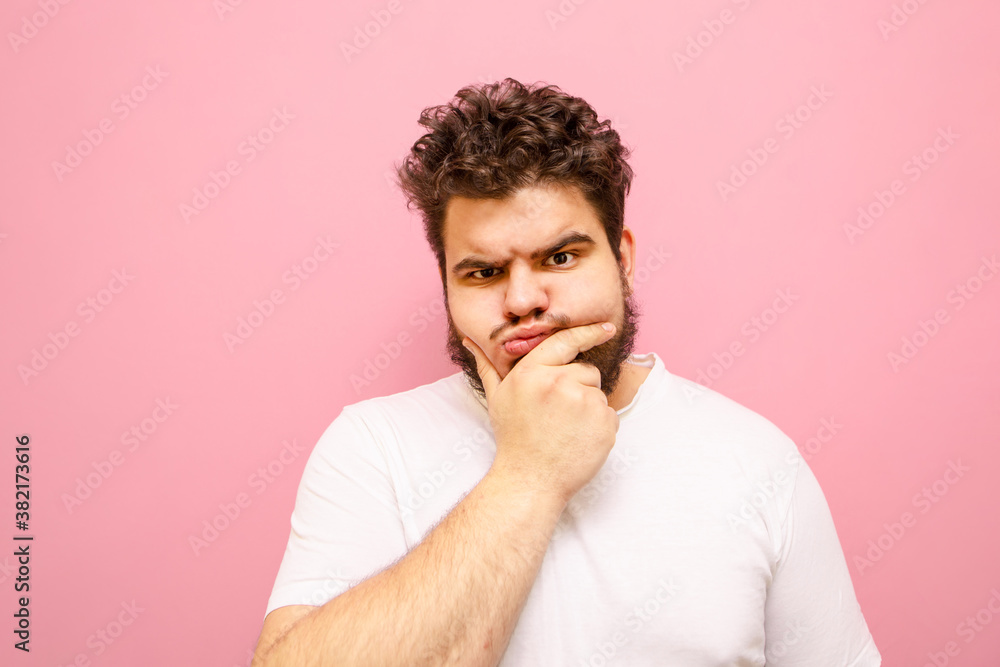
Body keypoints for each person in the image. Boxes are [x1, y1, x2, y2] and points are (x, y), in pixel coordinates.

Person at [251, 78, 882, 666]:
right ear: (445, 284)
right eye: (483, 271)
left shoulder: (757, 460)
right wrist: (530, 473)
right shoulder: (371, 449)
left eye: (559, 256)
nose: (522, 299)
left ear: (623, 260)